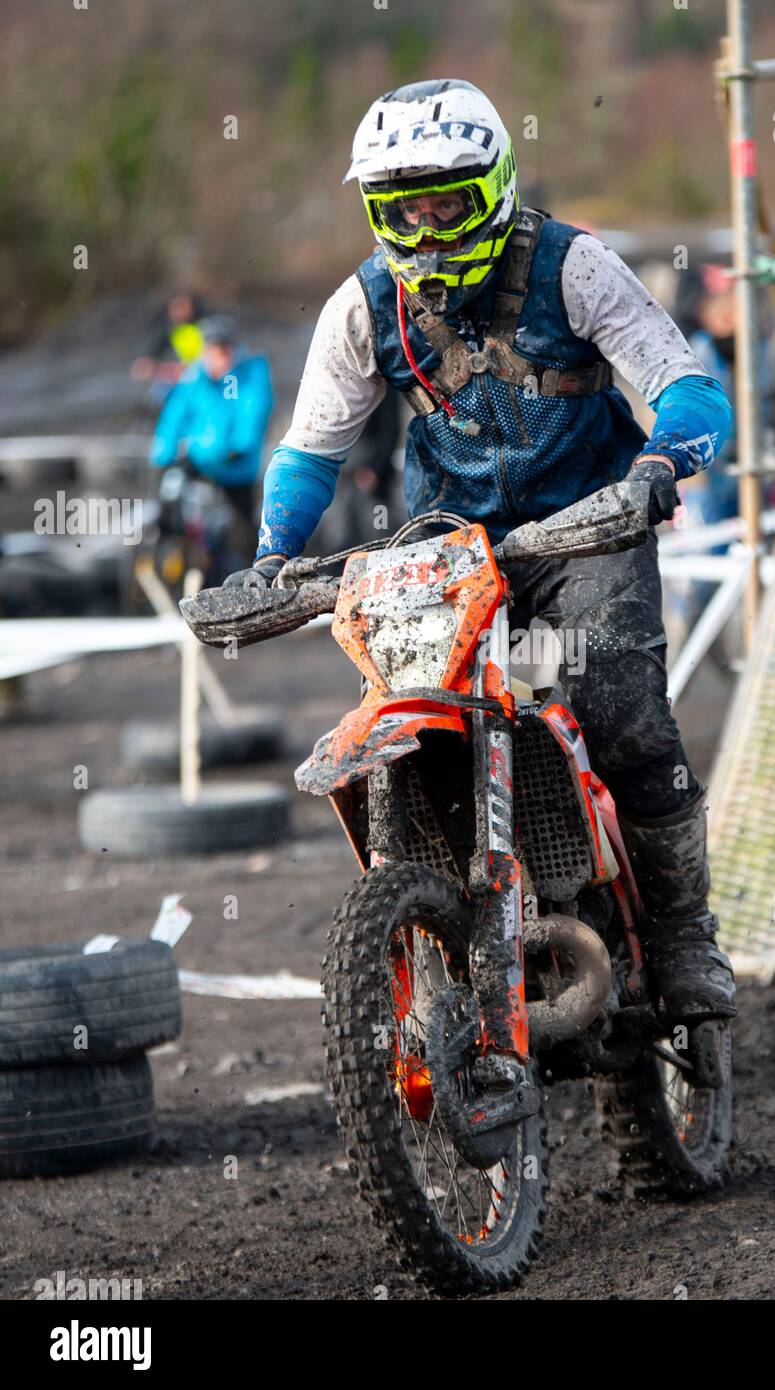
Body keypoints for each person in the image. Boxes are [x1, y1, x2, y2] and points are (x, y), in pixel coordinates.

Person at [225, 80, 736, 1026]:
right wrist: (270, 555)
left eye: (445, 207)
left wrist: (659, 467)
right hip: (452, 556)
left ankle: (680, 931)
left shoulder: (574, 266)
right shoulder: (362, 306)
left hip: (590, 531)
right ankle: (440, 907)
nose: (423, 235)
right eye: (401, 212)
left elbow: (688, 386)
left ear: (491, 189)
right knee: (409, 720)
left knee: (623, 712)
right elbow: (309, 450)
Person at [150, 316, 274, 564]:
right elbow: (174, 415)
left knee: (244, 530)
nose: (218, 358)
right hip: (200, 460)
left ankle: (252, 572)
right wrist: (163, 453)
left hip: (235, 467)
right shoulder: (195, 378)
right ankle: (168, 550)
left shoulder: (249, 377)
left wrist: (238, 447)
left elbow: (252, 414)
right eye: (212, 350)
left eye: (223, 350)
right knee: (170, 495)